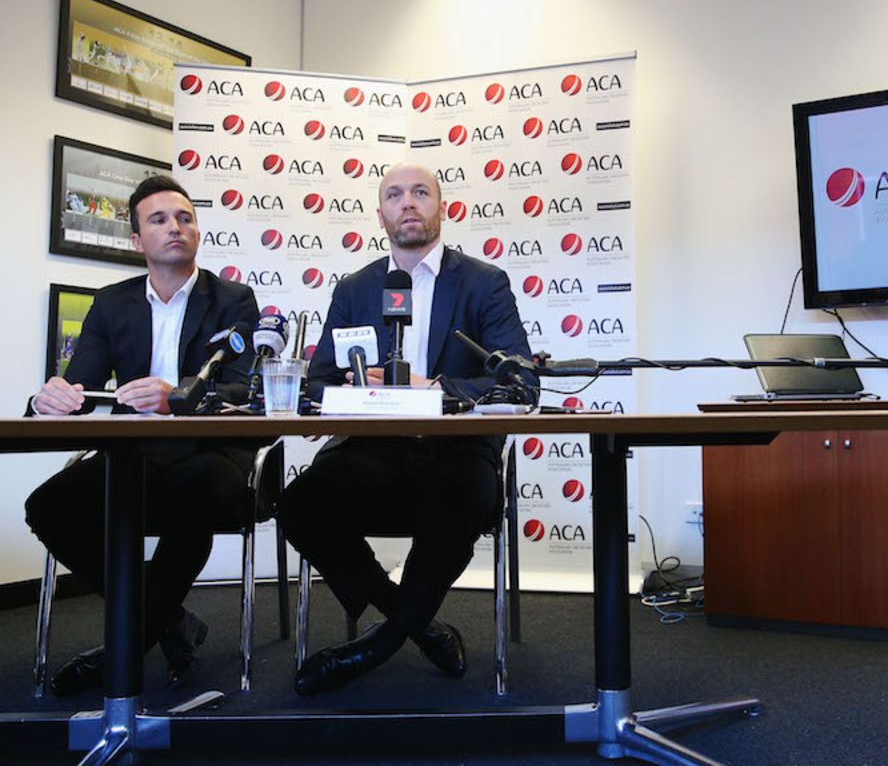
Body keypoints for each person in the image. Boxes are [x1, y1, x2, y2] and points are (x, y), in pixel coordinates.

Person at [279, 162, 535, 695]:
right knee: (300, 503)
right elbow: (319, 382)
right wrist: (357, 388)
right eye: (395, 195)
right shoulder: (355, 288)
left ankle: (377, 645)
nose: (408, 203)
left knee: (458, 498)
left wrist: (434, 389)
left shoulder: (485, 283)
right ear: (381, 214)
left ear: (442, 208)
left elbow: (519, 382)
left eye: (421, 192)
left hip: (457, 453)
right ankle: (416, 624)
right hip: (373, 448)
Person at [25, 175, 260, 695]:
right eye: (158, 220)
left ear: (197, 231)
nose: (175, 227)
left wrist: (177, 397)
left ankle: (124, 649)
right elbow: (80, 383)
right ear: (137, 241)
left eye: (185, 218)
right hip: (136, 452)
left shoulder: (234, 299)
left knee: (195, 497)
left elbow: (246, 389)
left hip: (212, 448)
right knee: (48, 506)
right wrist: (50, 400)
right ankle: (171, 621)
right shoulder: (111, 304)